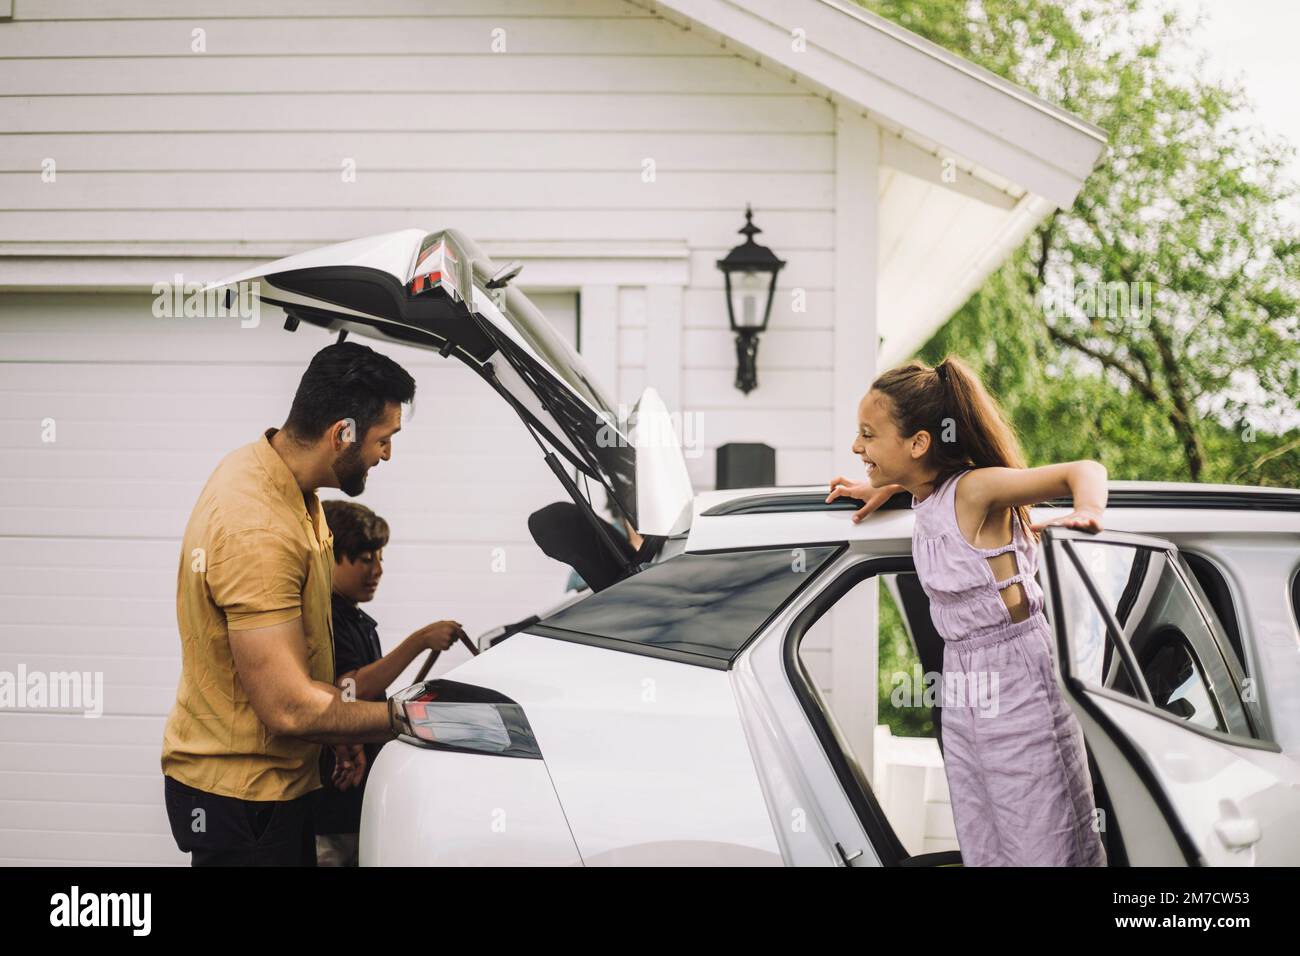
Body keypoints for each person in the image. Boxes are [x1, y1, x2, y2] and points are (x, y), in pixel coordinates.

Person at [827, 355, 1108, 867]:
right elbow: (923, 484)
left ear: (918, 443)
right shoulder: (924, 493)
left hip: (1017, 674)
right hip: (962, 680)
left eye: (868, 434)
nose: (856, 446)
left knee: (1039, 826)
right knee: (981, 825)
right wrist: (883, 486)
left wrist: (1087, 510)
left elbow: (1082, 470)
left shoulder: (976, 492)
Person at [161, 341, 417, 866]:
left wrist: (336, 729)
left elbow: (302, 669)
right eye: (383, 438)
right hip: (246, 801)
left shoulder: (292, 488)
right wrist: (406, 719)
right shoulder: (257, 526)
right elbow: (288, 708)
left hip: (278, 785)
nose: (387, 454)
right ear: (341, 432)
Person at [311, 499, 467, 866]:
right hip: (330, 810)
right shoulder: (326, 619)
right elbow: (349, 692)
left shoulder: (357, 621)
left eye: (379, 558)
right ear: (329, 557)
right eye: (365, 559)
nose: (377, 569)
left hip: (354, 804)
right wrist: (418, 641)